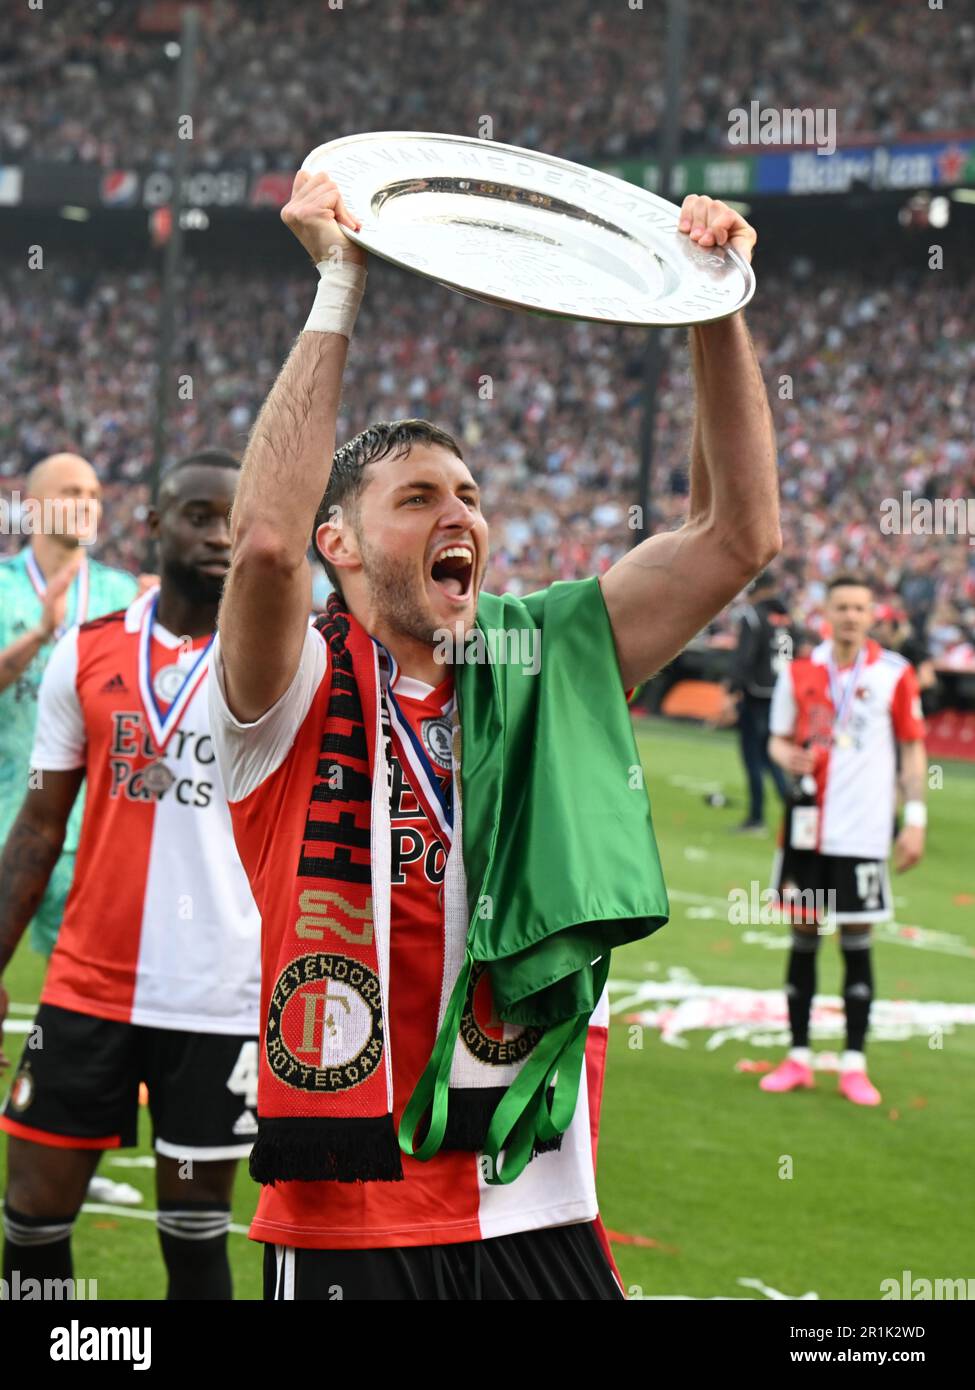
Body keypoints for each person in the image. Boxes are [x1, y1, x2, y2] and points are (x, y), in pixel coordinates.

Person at [209, 170, 779, 1301]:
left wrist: (712, 301)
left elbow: (735, 536)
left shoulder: (547, 656)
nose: (459, 513)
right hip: (348, 1220)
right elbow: (264, 544)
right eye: (418, 497)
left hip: (537, 1196)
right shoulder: (291, 687)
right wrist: (339, 284)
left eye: (468, 494)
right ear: (341, 542)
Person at [0, 450, 262, 1300]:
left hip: (218, 994)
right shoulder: (87, 652)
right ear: (153, 525)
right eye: (198, 515)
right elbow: (40, 825)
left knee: (195, 1237)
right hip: (88, 988)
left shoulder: (279, 659)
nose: (218, 535)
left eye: (234, 520)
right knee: (31, 1219)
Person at [761, 573, 927, 1107]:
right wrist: (786, 756)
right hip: (807, 831)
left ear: (872, 614)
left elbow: (912, 747)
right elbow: (776, 739)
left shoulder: (894, 673)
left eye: (860, 607)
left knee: (857, 942)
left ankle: (854, 1063)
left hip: (864, 833)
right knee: (803, 938)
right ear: (826, 614)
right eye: (842, 607)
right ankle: (798, 1056)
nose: (851, 615)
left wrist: (916, 817)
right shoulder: (800, 670)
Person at [0, 454, 146, 960]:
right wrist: (40, 635)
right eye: (71, 493)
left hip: (89, 832)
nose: (87, 504)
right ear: (33, 507)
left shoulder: (124, 594)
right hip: (7, 815)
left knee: (81, 988)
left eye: (94, 496)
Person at [719, 570, 793, 831]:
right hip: (782, 693)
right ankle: (794, 813)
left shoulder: (753, 615)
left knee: (753, 757)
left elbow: (744, 657)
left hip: (756, 694)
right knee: (773, 757)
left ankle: (756, 817)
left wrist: (731, 691)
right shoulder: (787, 616)